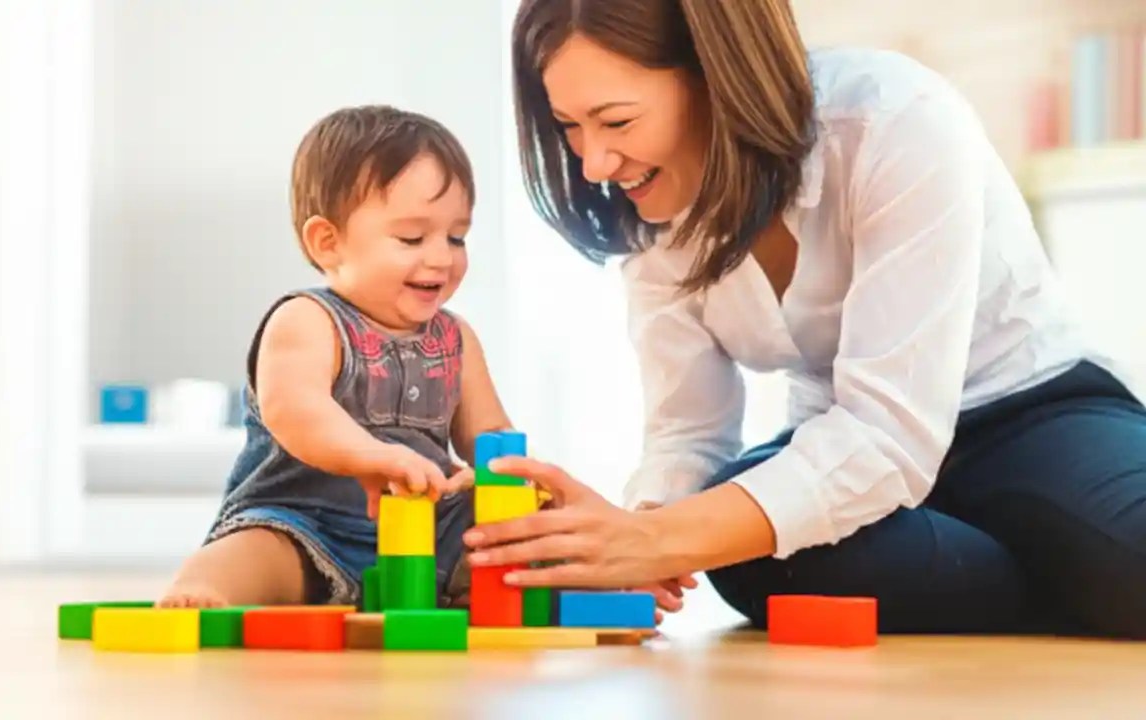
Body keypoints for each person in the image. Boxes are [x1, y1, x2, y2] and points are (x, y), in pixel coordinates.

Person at [463, 0, 1146, 638]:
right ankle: (1057, 575)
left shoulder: (896, 120)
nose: (594, 165)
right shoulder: (654, 212)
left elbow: (891, 433)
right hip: (845, 439)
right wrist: (637, 541)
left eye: (615, 122)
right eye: (568, 127)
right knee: (746, 551)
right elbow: (690, 433)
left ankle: (1061, 565)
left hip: (1031, 415)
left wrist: (662, 537)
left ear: (718, 79)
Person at [159, 105, 513, 609]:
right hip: (307, 524)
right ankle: (207, 589)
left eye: (456, 237)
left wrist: (506, 474)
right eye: (412, 237)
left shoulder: (456, 338)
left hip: (424, 532)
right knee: (258, 545)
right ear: (328, 243)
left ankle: (583, 582)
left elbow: (490, 433)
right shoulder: (307, 320)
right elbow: (295, 410)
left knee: (514, 531)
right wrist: (372, 456)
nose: (441, 257)